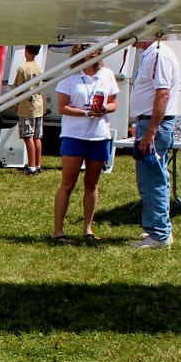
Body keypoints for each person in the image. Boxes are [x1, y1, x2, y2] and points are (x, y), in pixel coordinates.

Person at [50, 47, 117, 243]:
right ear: (80, 52)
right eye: (89, 49)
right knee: (68, 183)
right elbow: (62, 107)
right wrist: (86, 113)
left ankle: (88, 228)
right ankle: (58, 231)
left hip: (99, 135)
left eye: (98, 50)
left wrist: (104, 108)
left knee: (92, 183)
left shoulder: (106, 74)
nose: (95, 53)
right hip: (74, 135)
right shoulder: (69, 75)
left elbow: (114, 103)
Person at [128, 36, 181, 248]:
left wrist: (151, 131)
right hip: (149, 123)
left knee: (153, 179)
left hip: (154, 125)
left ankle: (160, 234)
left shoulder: (160, 55)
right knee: (152, 178)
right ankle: (156, 228)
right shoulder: (152, 54)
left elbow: (163, 94)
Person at [9, 45, 45, 174]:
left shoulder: (23, 68)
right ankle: (38, 164)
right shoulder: (39, 67)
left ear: (26, 51)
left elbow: (18, 89)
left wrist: (16, 102)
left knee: (27, 136)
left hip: (26, 105)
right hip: (38, 104)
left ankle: (32, 165)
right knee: (37, 136)